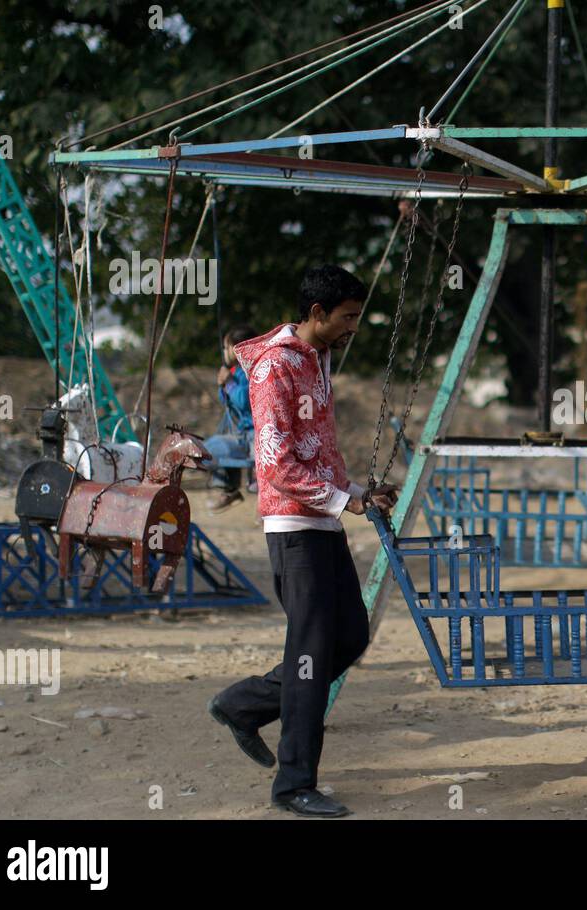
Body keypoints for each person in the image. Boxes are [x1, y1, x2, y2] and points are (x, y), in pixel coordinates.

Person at [206, 264, 396, 819]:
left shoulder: (316, 360)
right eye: (347, 316)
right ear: (317, 313)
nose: (354, 326)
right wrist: (347, 502)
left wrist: (359, 490)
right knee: (312, 658)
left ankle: (243, 704)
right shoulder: (274, 370)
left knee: (350, 638)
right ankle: (293, 785)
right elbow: (276, 466)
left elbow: (317, 451)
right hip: (295, 530)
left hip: (324, 524)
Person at [204, 325, 256, 512]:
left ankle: (266, 506)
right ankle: (229, 489)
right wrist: (223, 385)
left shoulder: (253, 372)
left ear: (237, 348)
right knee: (212, 447)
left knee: (263, 474)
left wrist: (230, 383)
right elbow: (226, 401)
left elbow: (245, 401)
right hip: (241, 434)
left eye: (226, 348)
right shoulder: (235, 372)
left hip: (256, 435)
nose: (224, 352)